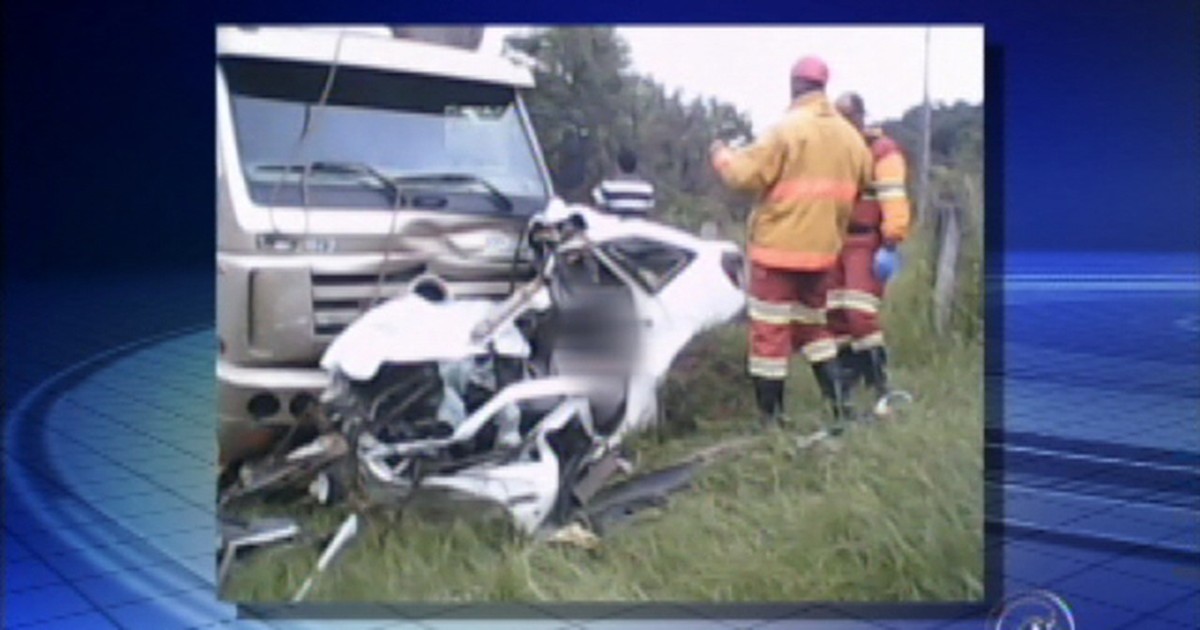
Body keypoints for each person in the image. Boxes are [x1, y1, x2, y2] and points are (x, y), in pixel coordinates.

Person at [709, 56, 873, 427]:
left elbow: (742, 175)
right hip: (823, 254)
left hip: (777, 251)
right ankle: (841, 407)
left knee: (769, 334)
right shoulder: (852, 139)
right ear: (824, 86)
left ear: (794, 85)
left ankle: (771, 419)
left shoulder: (786, 130)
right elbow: (861, 184)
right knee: (814, 327)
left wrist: (720, 154)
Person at [829, 92, 913, 417]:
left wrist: (891, 240)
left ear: (860, 118)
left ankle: (880, 383)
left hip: (867, 241)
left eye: (847, 118)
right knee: (835, 313)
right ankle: (849, 382)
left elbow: (893, 198)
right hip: (835, 241)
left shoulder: (882, 151)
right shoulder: (836, 152)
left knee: (859, 311)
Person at [592, 146, 656, 217]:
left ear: (618, 166)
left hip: (613, 227)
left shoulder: (606, 187)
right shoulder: (647, 189)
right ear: (636, 166)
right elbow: (649, 209)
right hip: (639, 227)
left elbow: (599, 207)